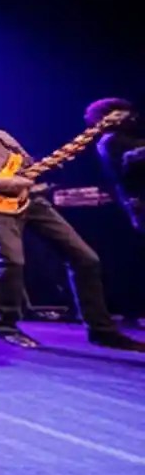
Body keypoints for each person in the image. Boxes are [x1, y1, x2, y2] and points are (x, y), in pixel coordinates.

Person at [0, 90, 141, 350]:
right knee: (11, 260)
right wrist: (0, 184)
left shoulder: (0, 136)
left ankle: (101, 329)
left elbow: (27, 164)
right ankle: (5, 325)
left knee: (85, 258)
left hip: (31, 200)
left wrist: (48, 167)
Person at [87, 97, 145, 325]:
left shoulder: (128, 139)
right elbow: (131, 161)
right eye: (125, 114)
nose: (132, 118)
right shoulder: (110, 141)